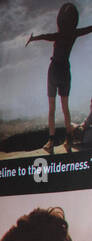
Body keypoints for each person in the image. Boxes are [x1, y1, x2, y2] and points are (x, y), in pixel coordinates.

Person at [26, 3, 92, 153]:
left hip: (55, 70)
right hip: (64, 71)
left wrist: (33, 38)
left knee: (52, 108)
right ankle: (67, 140)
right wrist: (35, 38)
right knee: (64, 108)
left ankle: (51, 141)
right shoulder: (74, 33)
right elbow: (89, 29)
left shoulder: (60, 34)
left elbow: (45, 37)